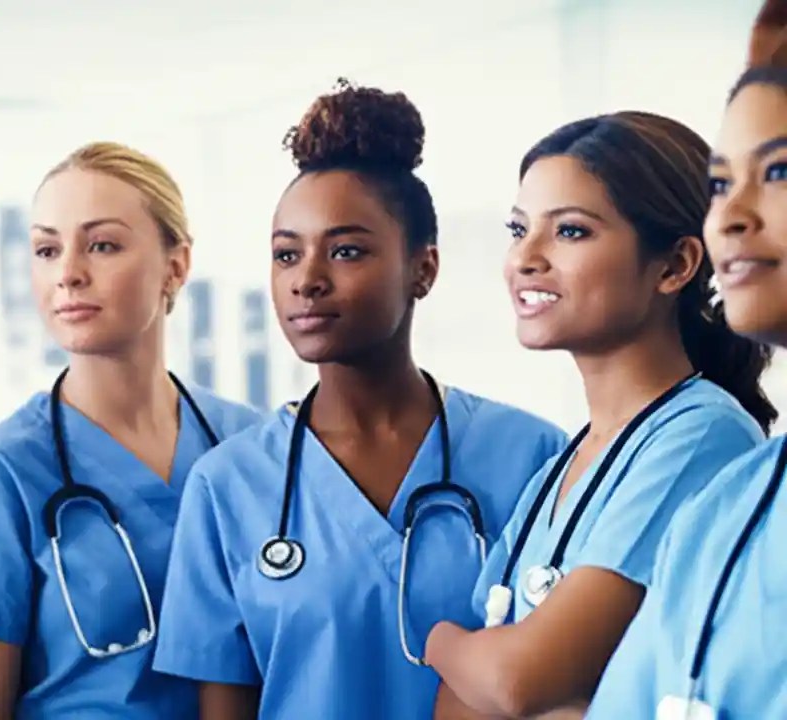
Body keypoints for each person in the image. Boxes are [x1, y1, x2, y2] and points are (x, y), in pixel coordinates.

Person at [148, 80, 568, 720]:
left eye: (346, 251)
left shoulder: (532, 456)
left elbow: (564, 681)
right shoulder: (228, 486)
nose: (308, 280)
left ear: (423, 268)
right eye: (287, 254)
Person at [425, 110, 777, 718]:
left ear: (675, 266)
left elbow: (517, 681)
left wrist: (438, 641)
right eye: (518, 228)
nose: (526, 258)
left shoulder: (701, 438)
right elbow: (460, 704)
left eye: (570, 232)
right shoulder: (566, 463)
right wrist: (487, 669)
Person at [0, 141, 263, 719]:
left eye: (102, 245)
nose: (69, 274)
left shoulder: (251, 448)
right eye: (46, 249)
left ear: (176, 264)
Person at [584, 6, 787, 717]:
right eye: (721, 184)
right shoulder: (724, 512)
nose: (731, 216)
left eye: (781, 170)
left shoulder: (706, 447)